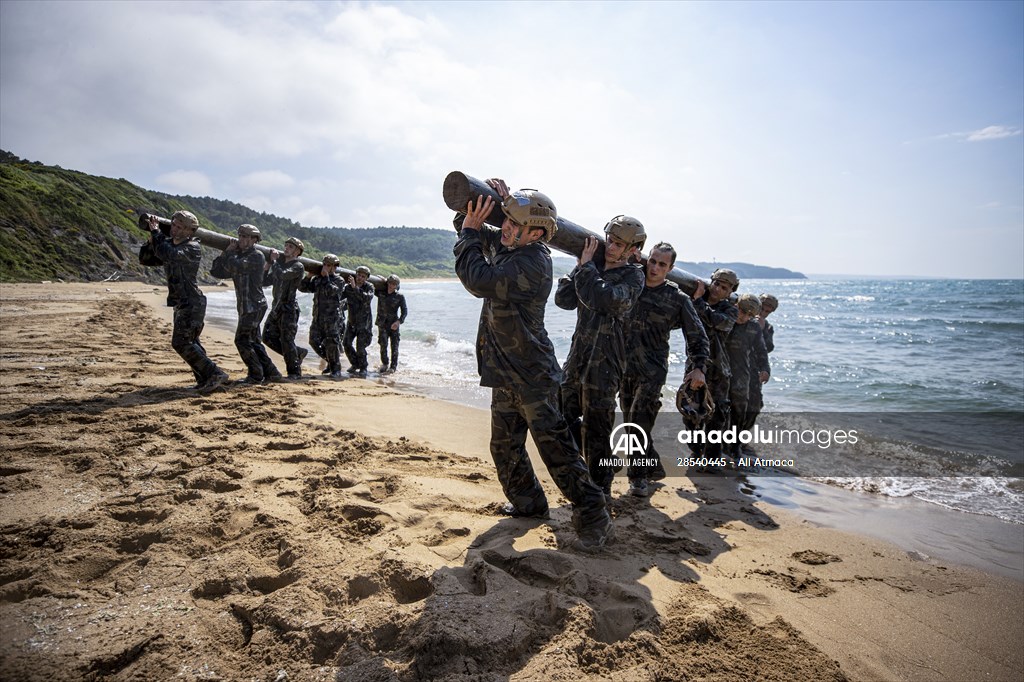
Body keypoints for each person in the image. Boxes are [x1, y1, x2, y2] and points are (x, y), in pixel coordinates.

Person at [453, 177, 612, 551]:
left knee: (557, 452)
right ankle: (529, 504)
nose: (505, 228)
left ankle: (594, 515)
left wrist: (472, 231)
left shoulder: (534, 263)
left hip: (533, 376)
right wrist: (484, 202)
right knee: (504, 447)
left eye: (514, 224)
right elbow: (468, 228)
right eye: (506, 221)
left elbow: (477, 278)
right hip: (505, 371)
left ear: (537, 233)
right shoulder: (512, 245)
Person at [555, 216, 645, 502]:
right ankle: (591, 471)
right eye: (609, 240)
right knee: (561, 418)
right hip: (577, 358)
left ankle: (601, 493)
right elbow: (563, 300)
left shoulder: (633, 277)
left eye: (618, 244)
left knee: (598, 430)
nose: (611, 247)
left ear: (633, 250)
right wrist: (580, 267)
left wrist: (586, 269)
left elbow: (608, 300)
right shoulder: (591, 266)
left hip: (606, 365)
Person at [619, 242, 710, 497]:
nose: (655, 268)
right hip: (623, 366)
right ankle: (654, 466)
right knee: (629, 423)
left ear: (670, 268)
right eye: (653, 261)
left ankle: (638, 478)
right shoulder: (631, 283)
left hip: (653, 370)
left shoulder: (677, 299)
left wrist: (699, 368)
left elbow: (697, 336)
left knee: (638, 422)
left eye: (662, 264)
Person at [146, 211, 228, 392]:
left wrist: (157, 233)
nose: (174, 229)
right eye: (173, 225)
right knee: (192, 343)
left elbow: (169, 254)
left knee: (181, 342)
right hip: (180, 302)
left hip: (192, 302)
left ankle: (215, 373)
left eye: (179, 227)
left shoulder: (192, 247)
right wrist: (151, 240)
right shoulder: (169, 244)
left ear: (190, 231)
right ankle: (204, 380)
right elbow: (146, 259)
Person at [210, 224, 283, 385]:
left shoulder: (256, 256)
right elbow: (217, 272)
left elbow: (236, 266)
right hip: (247, 306)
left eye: (246, 237)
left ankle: (256, 374)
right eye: (241, 236)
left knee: (242, 340)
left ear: (254, 240)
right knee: (254, 341)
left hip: (254, 305)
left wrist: (229, 252)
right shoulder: (237, 256)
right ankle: (272, 372)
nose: (242, 240)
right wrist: (225, 253)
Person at [686, 268, 739, 458]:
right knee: (690, 412)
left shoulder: (730, 310)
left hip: (718, 370)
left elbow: (717, 321)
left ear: (730, 292)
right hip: (694, 365)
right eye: (716, 284)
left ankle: (712, 458)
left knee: (717, 415)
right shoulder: (693, 301)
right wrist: (697, 300)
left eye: (724, 288)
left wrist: (699, 301)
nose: (718, 289)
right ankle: (696, 450)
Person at [726, 294, 770, 459]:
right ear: (736, 306)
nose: (743, 316)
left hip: (741, 374)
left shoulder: (754, 327)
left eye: (749, 315)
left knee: (741, 410)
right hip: (719, 371)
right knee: (718, 410)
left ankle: (735, 446)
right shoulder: (724, 319)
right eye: (742, 311)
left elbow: (762, 350)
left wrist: (765, 369)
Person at [262, 237, 308, 380]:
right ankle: (297, 353)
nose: (286, 248)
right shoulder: (280, 265)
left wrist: (274, 261)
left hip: (289, 309)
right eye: (286, 245)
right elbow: (264, 281)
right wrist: (268, 264)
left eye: (290, 247)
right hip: (276, 308)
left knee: (287, 340)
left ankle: (294, 372)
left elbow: (283, 275)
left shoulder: (298, 266)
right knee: (267, 337)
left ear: (297, 252)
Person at [740, 293, 778, 452]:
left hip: (754, 371)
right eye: (763, 308)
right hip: (738, 367)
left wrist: (761, 330)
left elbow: (767, 348)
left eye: (768, 310)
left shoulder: (767, 327)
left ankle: (740, 439)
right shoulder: (743, 319)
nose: (764, 312)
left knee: (755, 406)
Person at [299, 254, 346, 379]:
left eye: (329, 265)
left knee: (331, 344)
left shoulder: (339, 280)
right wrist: (308, 277)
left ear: (334, 267)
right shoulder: (318, 279)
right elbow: (303, 288)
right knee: (313, 341)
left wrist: (326, 278)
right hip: (318, 317)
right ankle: (331, 361)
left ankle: (336, 369)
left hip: (332, 318)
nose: (325, 267)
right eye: (324, 264)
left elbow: (333, 292)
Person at [343, 265, 375, 377]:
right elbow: (339, 297)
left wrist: (355, 288)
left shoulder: (369, 287)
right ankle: (355, 363)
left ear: (366, 278)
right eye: (358, 275)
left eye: (363, 276)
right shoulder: (348, 287)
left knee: (360, 347)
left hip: (364, 323)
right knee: (346, 343)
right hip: (352, 321)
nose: (360, 278)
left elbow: (366, 298)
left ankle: (363, 367)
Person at [375, 274, 408, 373]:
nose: (391, 285)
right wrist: (381, 280)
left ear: (396, 285)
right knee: (383, 345)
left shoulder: (400, 297)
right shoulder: (380, 293)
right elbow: (370, 286)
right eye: (389, 283)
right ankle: (385, 364)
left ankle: (393, 367)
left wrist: (399, 322)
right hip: (382, 324)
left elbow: (404, 311)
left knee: (394, 346)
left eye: (394, 284)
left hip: (393, 324)